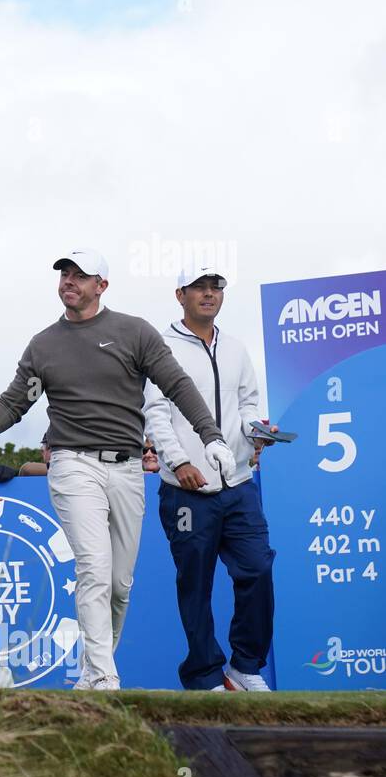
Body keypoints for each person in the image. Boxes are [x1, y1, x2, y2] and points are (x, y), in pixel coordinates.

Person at [0, 249, 235, 691]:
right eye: (65, 275)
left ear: (101, 286)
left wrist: (211, 437)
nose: (69, 281)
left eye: (80, 275)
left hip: (127, 467)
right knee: (93, 567)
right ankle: (106, 677)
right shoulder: (44, 345)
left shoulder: (135, 332)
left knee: (119, 584)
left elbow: (177, 385)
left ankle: (93, 673)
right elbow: (15, 403)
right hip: (72, 465)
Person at [144, 267, 277, 692]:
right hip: (187, 488)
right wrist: (179, 460)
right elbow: (156, 413)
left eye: (215, 287)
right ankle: (204, 676)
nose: (208, 294)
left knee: (257, 570)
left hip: (239, 483)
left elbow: (249, 404)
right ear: (179, 294)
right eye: (199, 287)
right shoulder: (159, 348)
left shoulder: (236, 348)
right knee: (195, 585)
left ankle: (245, 666)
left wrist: (258, 434)